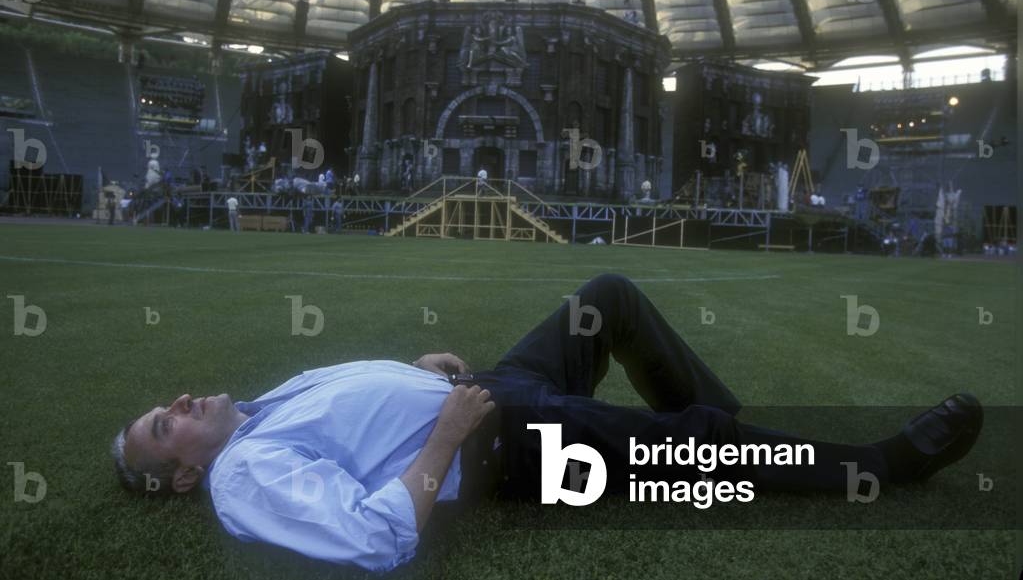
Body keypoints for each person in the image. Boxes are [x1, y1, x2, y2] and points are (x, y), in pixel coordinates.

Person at [111, 275, 983, 573]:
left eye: (168, 404)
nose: (180, 403)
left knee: (605, 298)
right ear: (184, 474)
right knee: (683, 444)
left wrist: (416, 374)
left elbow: (360, 420)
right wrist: (445, 433)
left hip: (487, 388)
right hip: (505, 444)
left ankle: (719, 429)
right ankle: (881, 464)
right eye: (164, 425)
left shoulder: (263, 408)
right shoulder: (243, 474)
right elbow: (373, 539)